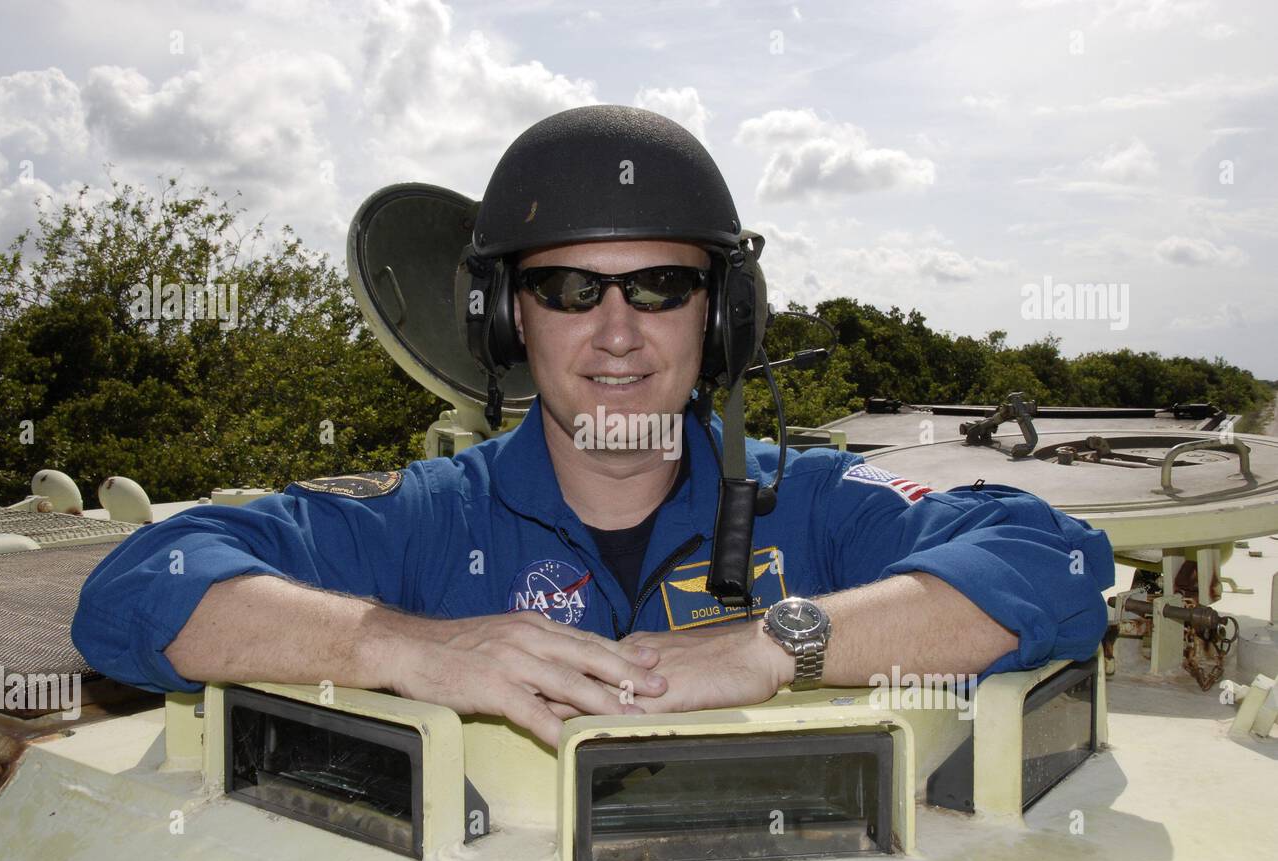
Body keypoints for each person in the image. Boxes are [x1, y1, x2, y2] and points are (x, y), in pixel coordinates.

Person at [72, 105, 1116, 748]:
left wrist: (774, 645)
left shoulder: (813, 500)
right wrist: (402, 645)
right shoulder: (427, 517)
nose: (616, 334)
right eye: (568, 289)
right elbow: (137, 590)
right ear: (503, 319)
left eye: (661, 287)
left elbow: (1055, 563)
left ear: (721, 317)